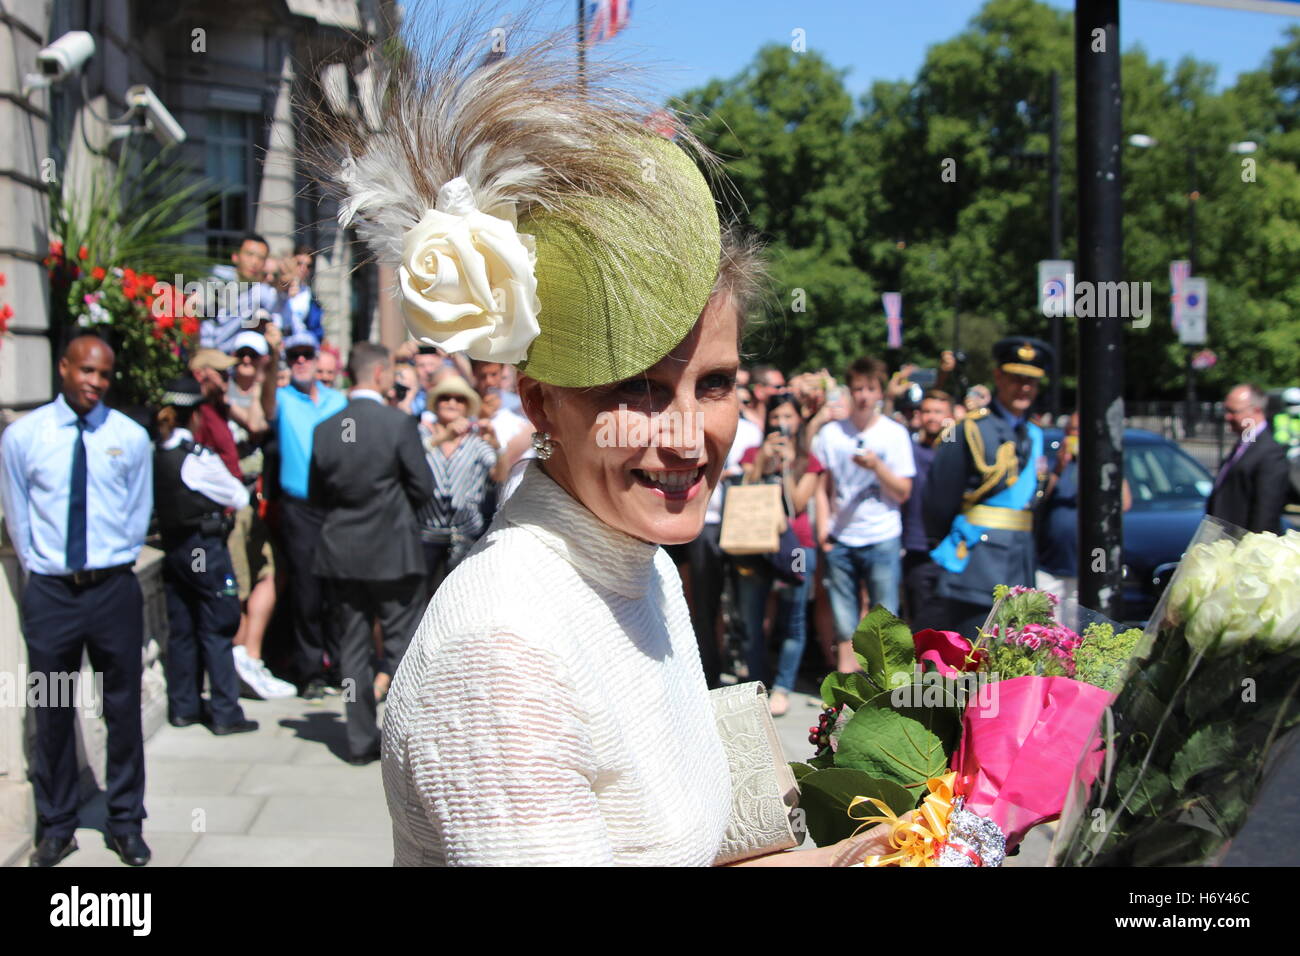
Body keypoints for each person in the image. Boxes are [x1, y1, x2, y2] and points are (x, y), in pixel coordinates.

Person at [325, 23, 892, 865]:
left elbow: (716, 845)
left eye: (714, 384)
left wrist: (898, 843)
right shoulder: (503, 652)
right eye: (639, 389)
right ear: (540, 404)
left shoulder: (645, 563)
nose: (688, 436)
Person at [1, 335, 153, 867]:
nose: (95, 382)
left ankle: (126, 822)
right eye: (86, 370)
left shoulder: (129, 437)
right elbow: (18, 514)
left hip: (113, 588)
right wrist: (43, 569)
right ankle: (57, 825)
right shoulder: (24, 436)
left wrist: (112, 562)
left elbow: (138, 512)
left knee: (123, 709)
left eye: (104, 374)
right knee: (51, 709)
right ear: (63, 367)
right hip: (52, 592)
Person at [309, 344, 433, 764]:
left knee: (352, 648)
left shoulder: (325, 429)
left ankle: (359, 738)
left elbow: (317, 495)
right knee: (402, 645)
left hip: (342, 552)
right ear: (380, 373)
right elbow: (423, 487)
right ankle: (405, 737)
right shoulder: (397, 424)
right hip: (392, 549)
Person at [925, 337, 1053, 640]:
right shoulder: (971, 429)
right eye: (1016, 378)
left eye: (1031, 381)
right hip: (976, 565)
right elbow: (938, 502)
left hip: (1020, 562)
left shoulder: (1033, 434)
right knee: (972, 656)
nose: (1024, 388)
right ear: (998, 377)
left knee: (1015, 657)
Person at [151, 376, 258, 736]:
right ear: (196, 415)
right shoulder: (196, 458)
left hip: (174, 549)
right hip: (203, 549)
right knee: (218, 625)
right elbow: (237, 496)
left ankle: (184, 707)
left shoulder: (157, 451)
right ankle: (226, 712)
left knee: (182, 627)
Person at [258, 325, 348, 697]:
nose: (300, 362)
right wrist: (271, 360)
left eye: (305, 355)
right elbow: (265, 405)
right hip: (300, 507)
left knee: (338, 591)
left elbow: (351, 445)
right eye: (293, 356)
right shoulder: (281, 399)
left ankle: (340, 667)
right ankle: (310, 671)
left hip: (335, 506)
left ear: (316, 359)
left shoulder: (337, 401)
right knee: (306, 591)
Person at [813, 355, 916, 673]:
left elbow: (903, 491)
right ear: (849, 391)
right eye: (857, 389)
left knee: (885, 617)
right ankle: (847, 683)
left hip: (881, 535)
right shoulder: (831, 434)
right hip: (841, 537)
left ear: (880, 392)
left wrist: (877, 466)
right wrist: (823, 530)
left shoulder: (894, 434)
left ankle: (887, 684)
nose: (863, 396)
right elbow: (822, 486)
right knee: (844, 620)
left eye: (870, 389)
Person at [736, 394, 824, 716]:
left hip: (795, 547)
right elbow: (744, 489)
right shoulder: (752, 453)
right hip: (754, 543)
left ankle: (783, 687)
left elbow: (797, 504)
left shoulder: (808, 460)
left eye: (788, 416)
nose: (781, 423)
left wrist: (787, 467)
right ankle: (758, 682)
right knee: (751, 618)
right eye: (775, 417)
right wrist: (763, 459)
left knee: (792, 620)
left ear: (799, 420)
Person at [224, 331, 296, 699]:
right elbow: (253, 425)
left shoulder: (265, 394)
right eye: (242, 356)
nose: (248, 363)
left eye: (255, 356)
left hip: (258, 503)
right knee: (241, 580)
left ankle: (249, 654)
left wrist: (270, 365)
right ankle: (239, 656)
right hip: (229, 503)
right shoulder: (221, 393)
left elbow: (262, 418)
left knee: (271, 571)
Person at [1036, 410, 1133, 628]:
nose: (1079, 435)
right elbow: (1039, 499)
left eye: (1085, 431)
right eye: (1074, 430)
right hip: (1050, 564)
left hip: (1088, 564)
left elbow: (1124, 503)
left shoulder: (1103, 465)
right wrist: (1059, 467)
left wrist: (1105, 459)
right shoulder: (1055, 463)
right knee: (1047, 628)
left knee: (1080, 628)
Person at [416, 376, 509, 597]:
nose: (452, 403)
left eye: (459, 399)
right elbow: (411, 459)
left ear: (467, 406)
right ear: (436, 403)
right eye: (445, 398)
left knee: (457, 596)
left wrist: (497, 446)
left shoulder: (475, 440)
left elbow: (499, 475)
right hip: (425, 534)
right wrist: (443, 437)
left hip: (464, 534)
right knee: (420, 599)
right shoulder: (423, 433)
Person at [1205, 383, 1290, 534]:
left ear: (1256, 410)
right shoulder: (1245, 444)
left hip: (1243, 542)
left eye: (1233, 411)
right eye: (1226, 410)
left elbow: (1265, 514)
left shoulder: (1270, 453)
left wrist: (1250, 546)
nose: (1227, 417)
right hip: (1222, 538)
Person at [902, 389, 953, 632]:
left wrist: (953, 434)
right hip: (919, 548)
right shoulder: (909, 451)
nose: (932, 417)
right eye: (927, 411)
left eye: (939, 412)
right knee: (921, 625)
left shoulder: (957, 453)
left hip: (952, 549)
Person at [200, 233, 279, 354]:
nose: (255, 262)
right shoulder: (215, 278)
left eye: (261, 258)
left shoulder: (264, 293)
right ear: (235, 256)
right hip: (205, 353)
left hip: (242, 357)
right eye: (249, 254)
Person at [187, 349, 242, 480]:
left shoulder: (218, 407)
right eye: (221, 373)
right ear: (199, 375)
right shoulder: (199, 414)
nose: (227, 378)